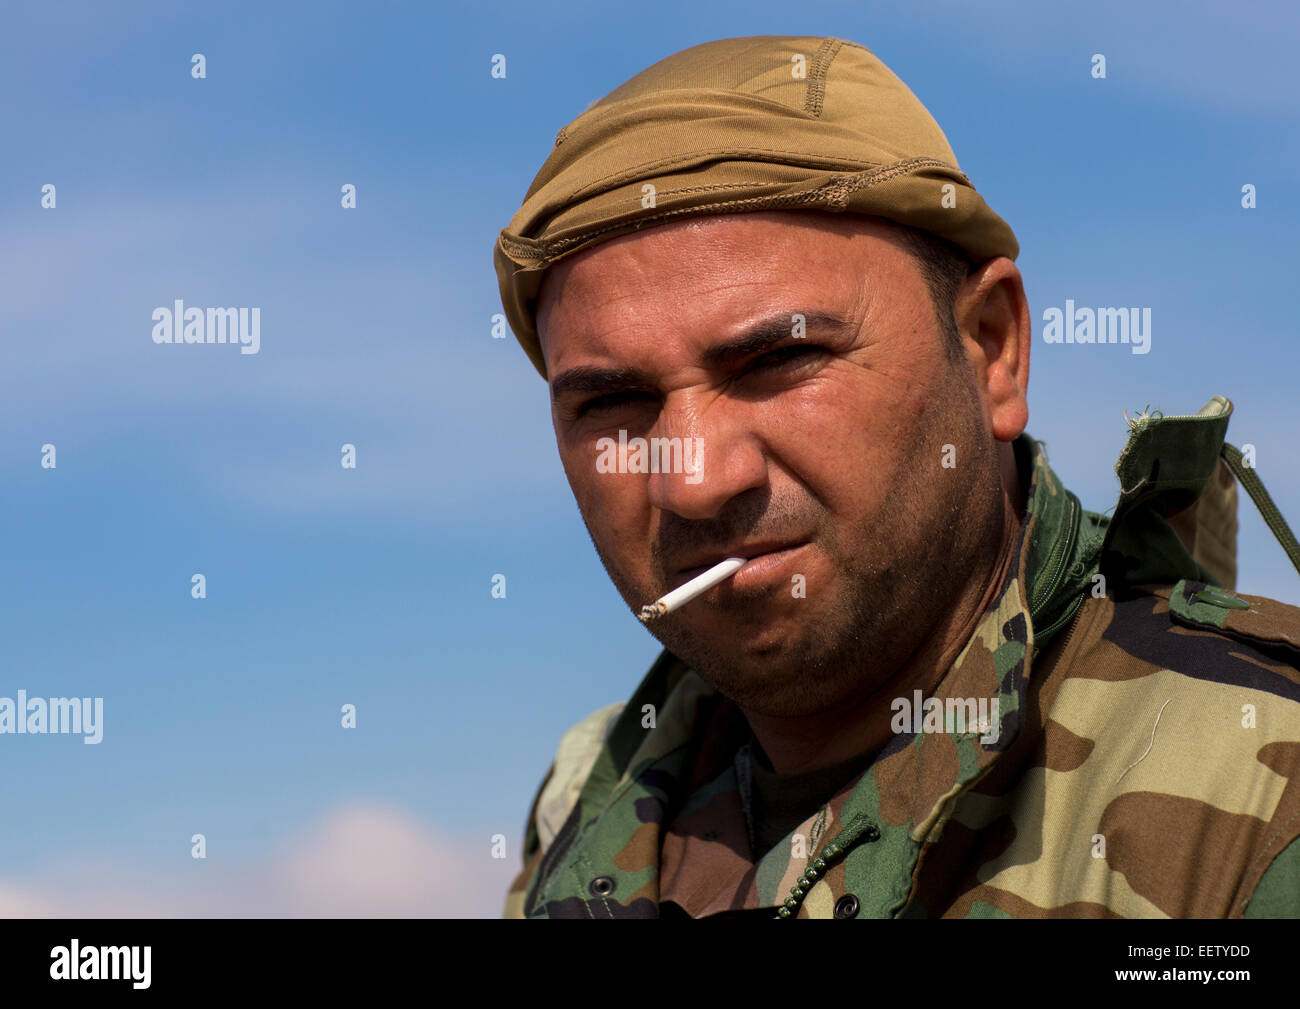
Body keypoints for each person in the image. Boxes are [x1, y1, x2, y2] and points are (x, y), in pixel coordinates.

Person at [492, 35, 1300, 918]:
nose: (692, 481)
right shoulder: (583, 809)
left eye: (781, 358)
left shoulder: (1262, 789)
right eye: (611, 400)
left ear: (992, 348)